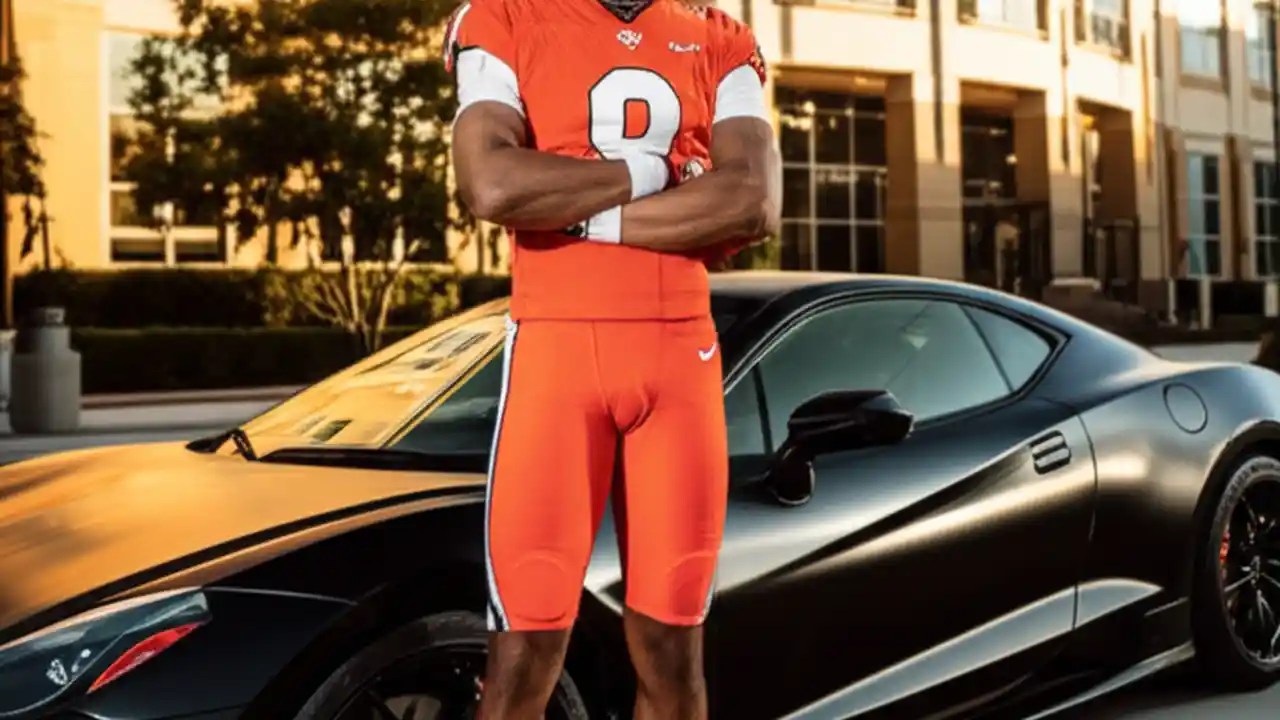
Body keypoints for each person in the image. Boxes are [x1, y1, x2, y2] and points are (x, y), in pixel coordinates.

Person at [446, 0, 780, 715]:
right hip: (555, 355)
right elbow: (493, 184)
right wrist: (657, 174)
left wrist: (572, 209)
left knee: (671, 649)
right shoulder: (503, 15)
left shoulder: (721, 37)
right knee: (524, 652)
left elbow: (751, 200)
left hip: (677, 362)